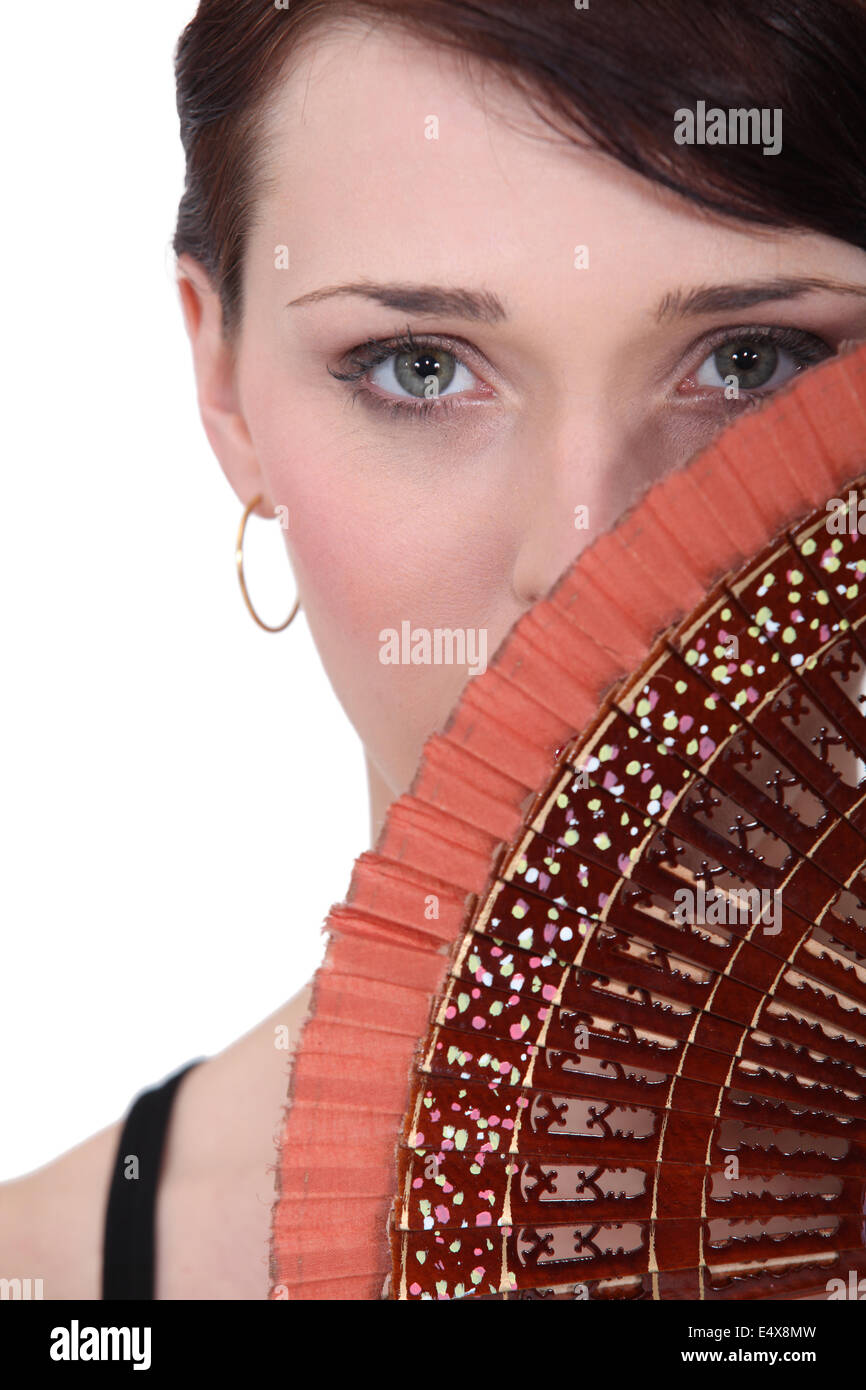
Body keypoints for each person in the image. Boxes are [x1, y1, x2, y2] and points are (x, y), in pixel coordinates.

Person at [2, 0, 865, 1299]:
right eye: (416, 367)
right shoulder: (48, 1285)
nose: (584, 564)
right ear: (224, 384)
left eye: (752, 360)